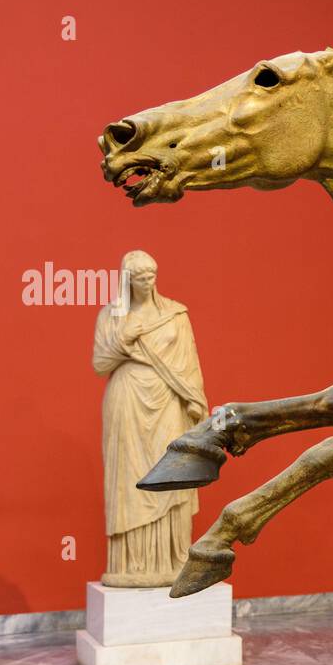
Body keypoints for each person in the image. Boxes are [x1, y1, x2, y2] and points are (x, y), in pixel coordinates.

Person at [92, 250, 208, 587]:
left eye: (152, 275)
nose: (147, 281)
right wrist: (123, 338)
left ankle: (174, 559)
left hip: (168, 401)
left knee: (171, 470)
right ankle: (131, 565)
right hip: (127, 399)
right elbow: (100, 363)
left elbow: (191, 363)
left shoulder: (175, 315)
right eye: (140, 276)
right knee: (130, 480)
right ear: (127, 279)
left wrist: (195, 400)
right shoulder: (112, 316)